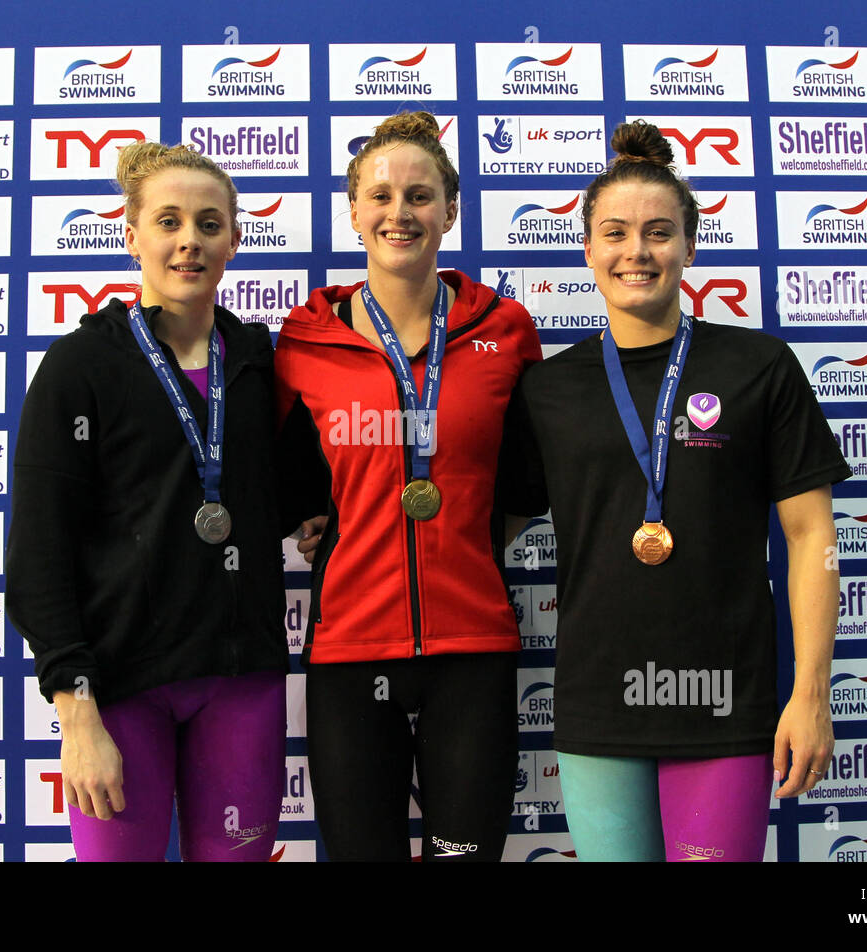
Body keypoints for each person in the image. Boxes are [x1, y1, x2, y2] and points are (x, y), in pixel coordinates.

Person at [509, 121, 851, 862]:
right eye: (616, 233)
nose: (637, 251)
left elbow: (811, 537)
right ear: (589, 249)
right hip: (598, 698)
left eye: (660, 232)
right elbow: (492, 523)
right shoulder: (547, 388)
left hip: (722, 696)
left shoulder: (758, 367)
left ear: (690, 248)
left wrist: (812, 693)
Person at [5, 142, 288, 861]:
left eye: (208, 222)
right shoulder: (81, 365)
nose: (189, 239)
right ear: (132, 236)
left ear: (234, 239)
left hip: (240, 684)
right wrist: (76, 716)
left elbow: (295, 489)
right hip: (119, 691)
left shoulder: (259, 363)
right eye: (168, 221)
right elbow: (38, 551)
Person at [274, 111, 543, 861]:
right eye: (382, 196)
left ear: (451, 210)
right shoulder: (304, 341)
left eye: (421, 196)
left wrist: (462, 543)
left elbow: (527, 484)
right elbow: (292, 485)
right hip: (350, 649)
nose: (401, 213)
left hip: (474, 647)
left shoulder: (505, 330)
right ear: (354, 212)